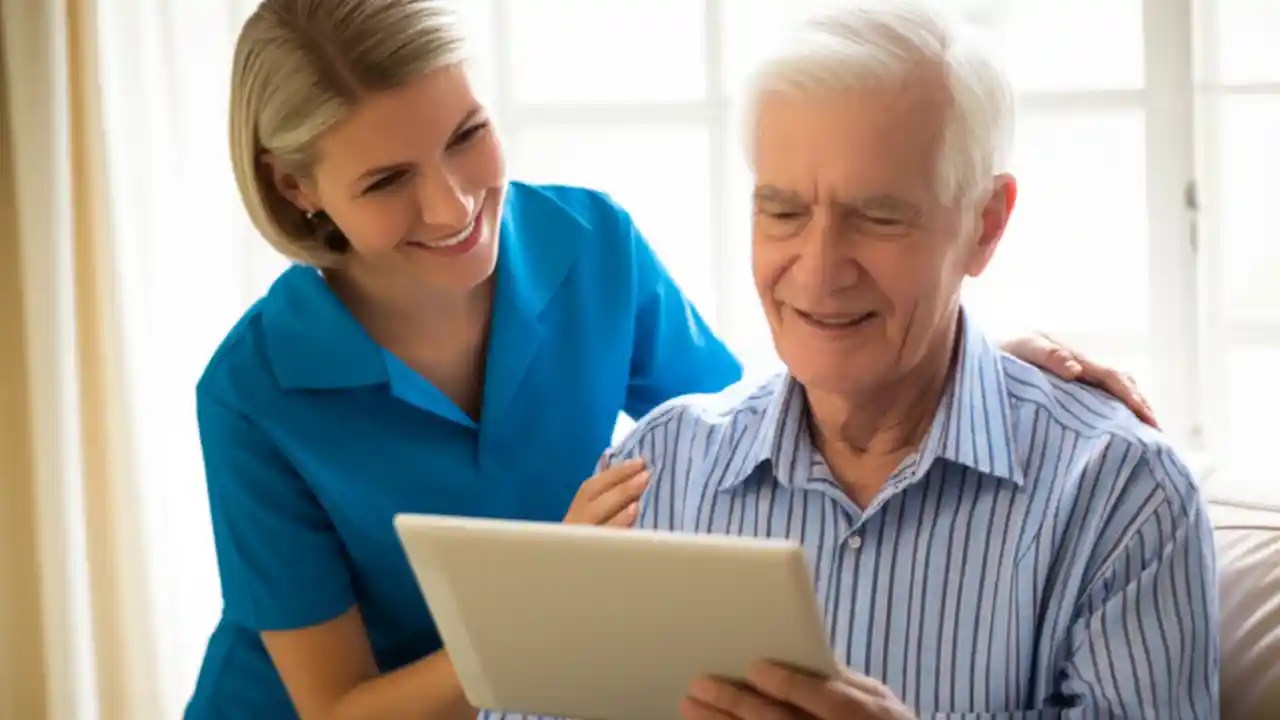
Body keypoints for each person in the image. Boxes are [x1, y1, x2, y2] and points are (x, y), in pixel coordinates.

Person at [186, 1, 1162, 718]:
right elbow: (334, 706)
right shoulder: (251, 392)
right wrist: (542, 605)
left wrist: (971, 358)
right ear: (296, 186)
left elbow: (786, 404)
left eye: (467, 136)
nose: (450, 206)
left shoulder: (588, 246)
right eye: (388, 179)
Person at [486, 3, 1219, 719]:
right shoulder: (658, 472)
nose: (818, 270)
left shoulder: (1122, 496)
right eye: (783, 212)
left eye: (878, 216)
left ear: (985, 226)